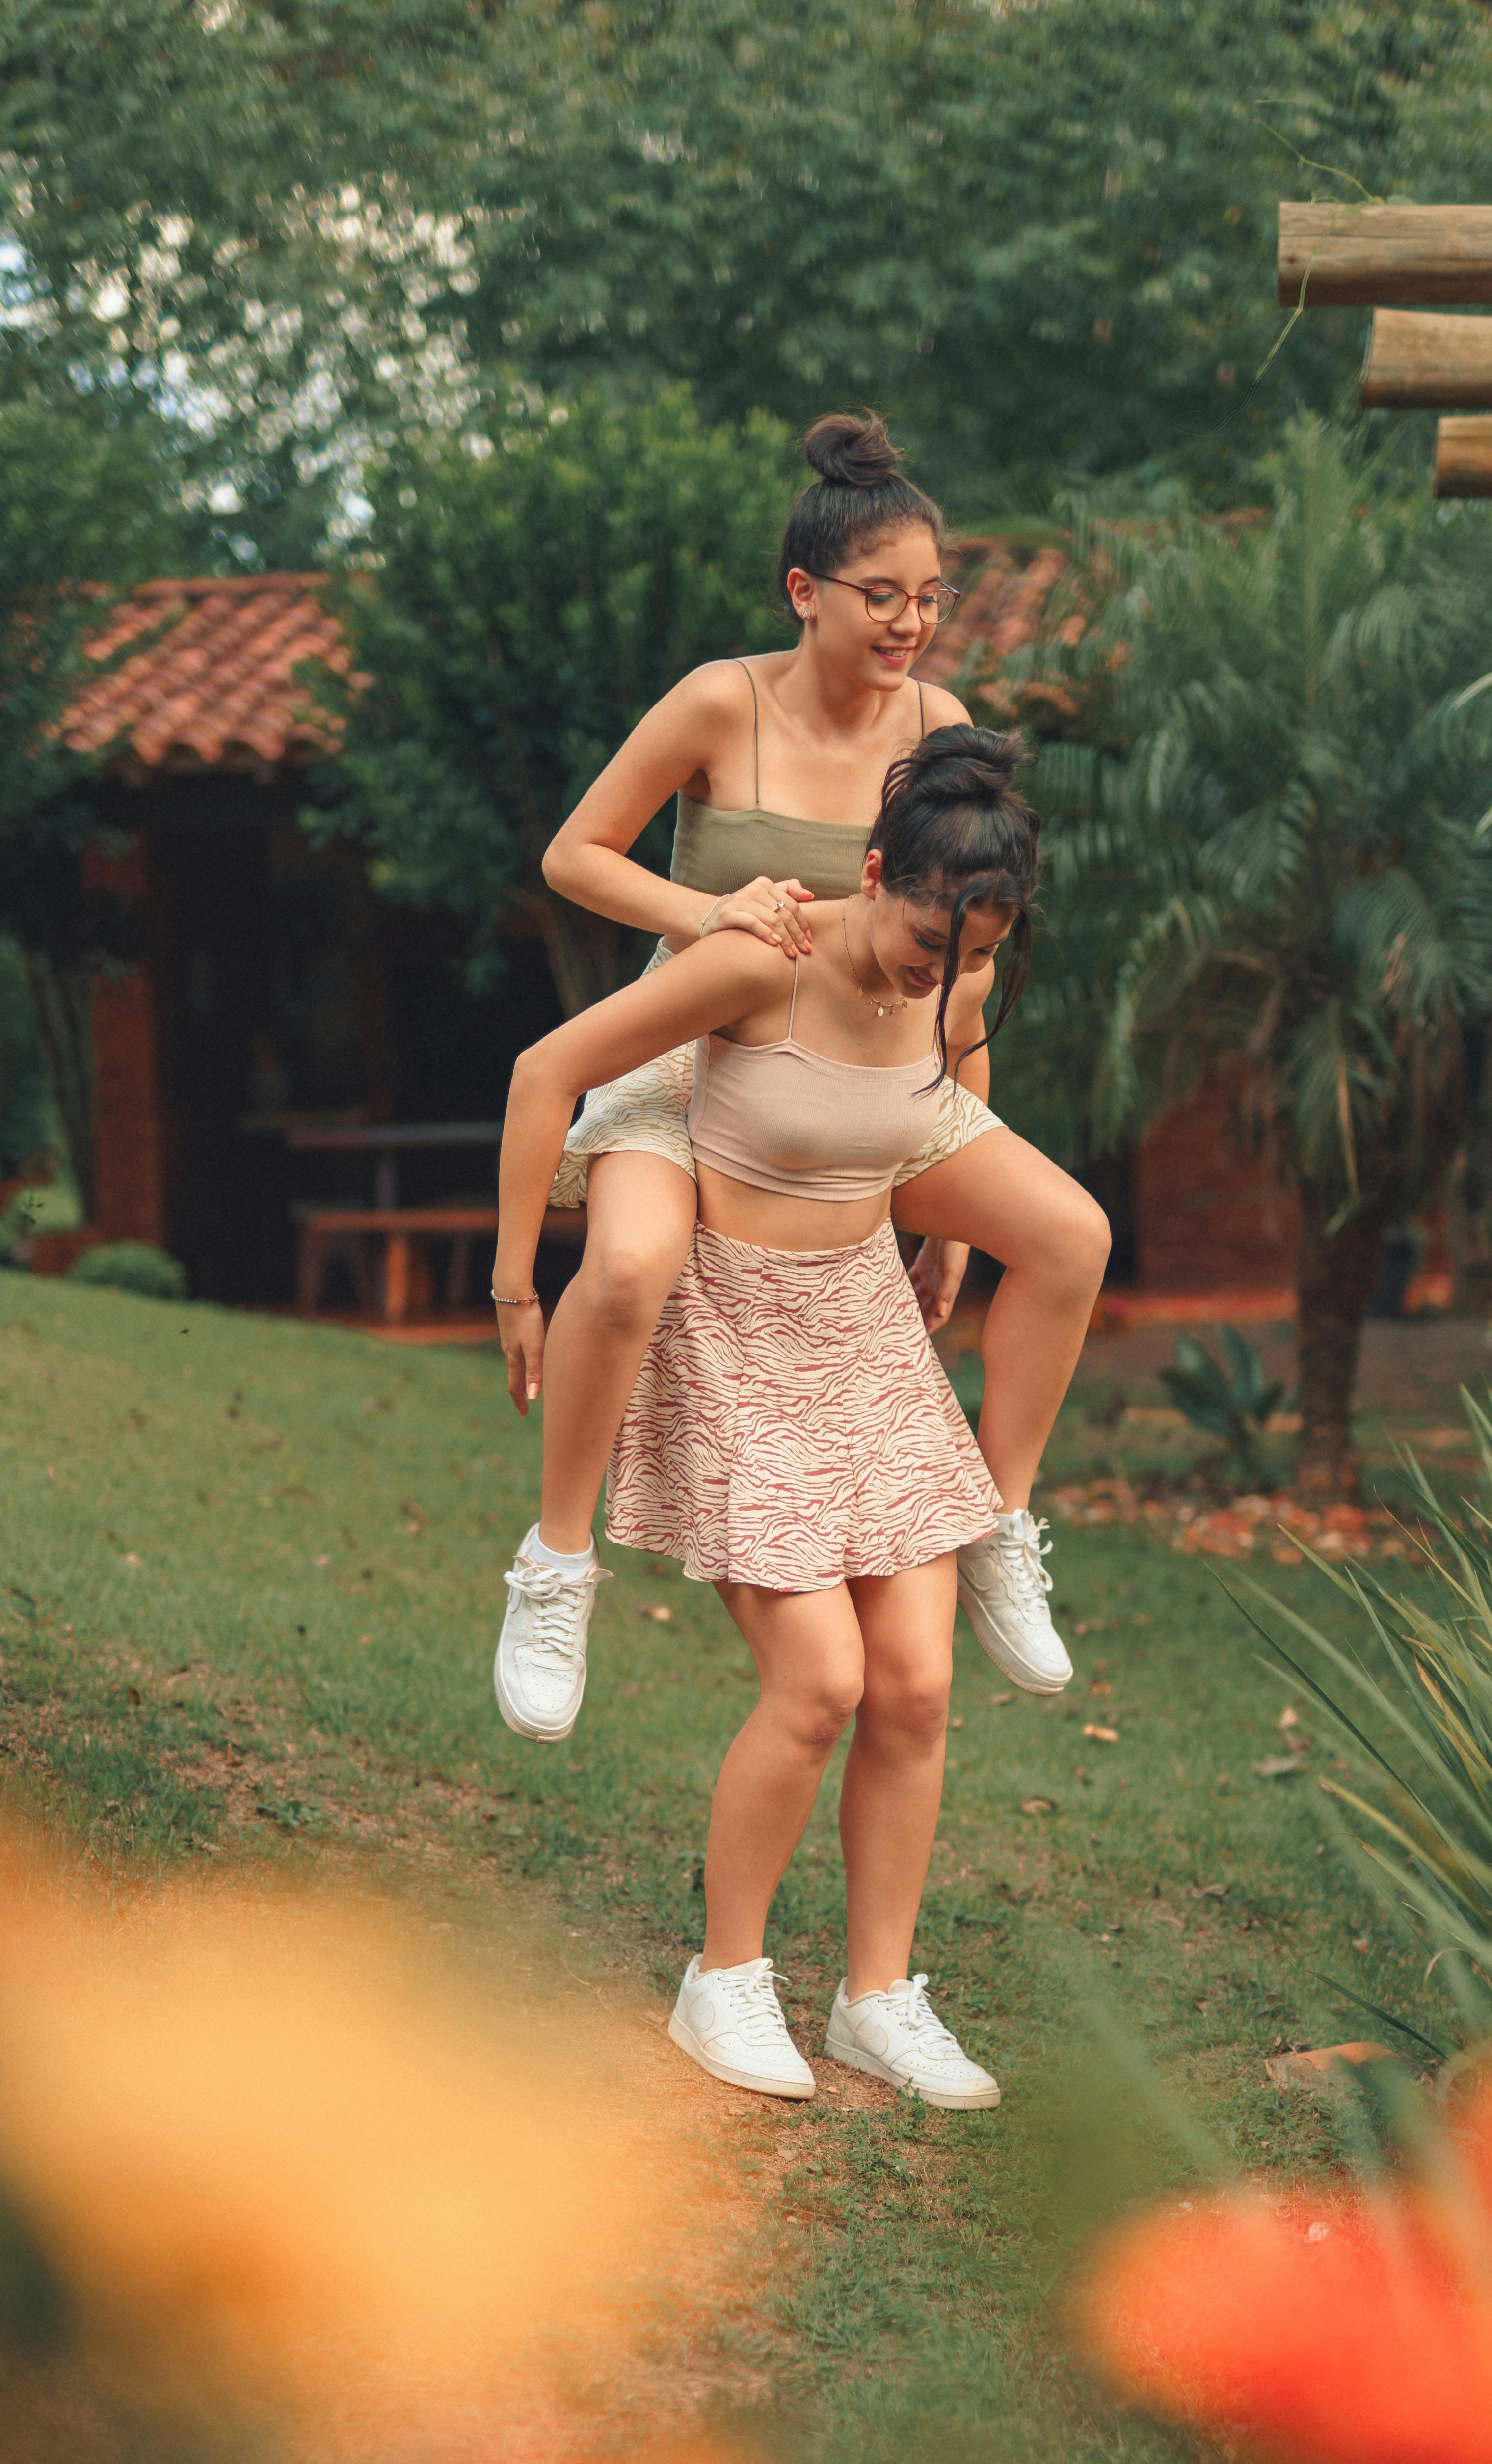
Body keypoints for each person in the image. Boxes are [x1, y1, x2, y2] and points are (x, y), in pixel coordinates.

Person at [491, 410, 1111, 1744]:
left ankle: (1000, 1520)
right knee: (630, 1268)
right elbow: (573, 857)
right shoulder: (724, 701)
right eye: (881, 595)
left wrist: (949, 1179)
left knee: (1068, 1236)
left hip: (864, 1068)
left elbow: (959, 961)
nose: (910, 623)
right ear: (804, 591)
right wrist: (705, 913)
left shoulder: (938, 722)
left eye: (930, 597)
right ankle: (556, 1564)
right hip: (693, 1046)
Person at [490, 729, 1042, 2104]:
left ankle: (877, 2000)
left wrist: (953, 1236)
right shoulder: (760, 961)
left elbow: (957, 1088)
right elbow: (546, 1073)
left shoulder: (955, 982)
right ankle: (722, 1980)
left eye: (972, 954)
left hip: (865, 1331)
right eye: (928, 940)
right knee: (821, 1684)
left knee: (916, 1686)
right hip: (735, 1333)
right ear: (874, 875)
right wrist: (514, 1287)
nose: (939, 974)